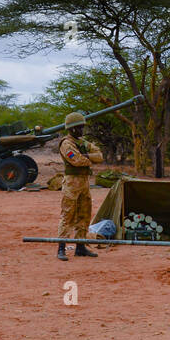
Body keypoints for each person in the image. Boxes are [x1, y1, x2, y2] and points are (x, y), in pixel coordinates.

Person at [56, 111, 103, 261]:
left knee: (84, 214)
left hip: (84, 182)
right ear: (72, 128)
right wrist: (90, 159)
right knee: (68, 215)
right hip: (71, 183)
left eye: (82, 127)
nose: (82, 131)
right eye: (79, 128)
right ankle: (61, 248)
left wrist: (87, 157)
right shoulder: (66, 143)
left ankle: (81, 247)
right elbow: (76, 160)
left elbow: (100, 156)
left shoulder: (82, 143)